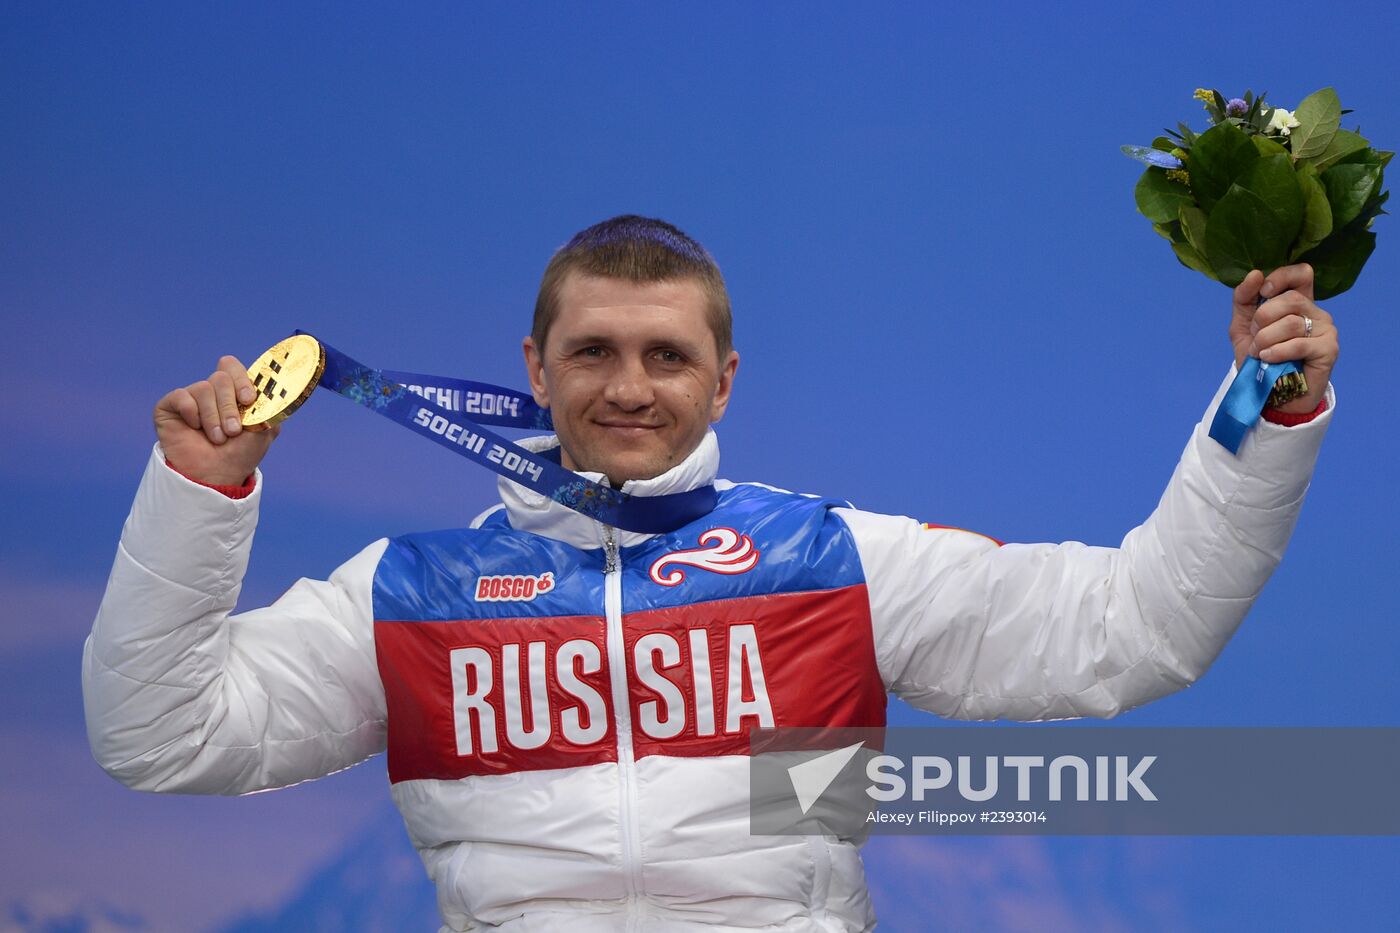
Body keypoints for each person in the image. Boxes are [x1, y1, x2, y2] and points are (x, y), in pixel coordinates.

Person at [83, 215, 1337, 931]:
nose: (628, 387)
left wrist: (1260, 411)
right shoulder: (412, 593)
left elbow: (1135, 628)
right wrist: (199, 494)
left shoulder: (831, 561)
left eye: (666, 357)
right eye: (593, 351)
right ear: (534, 368)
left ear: (723, 380)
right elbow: (160, 737)